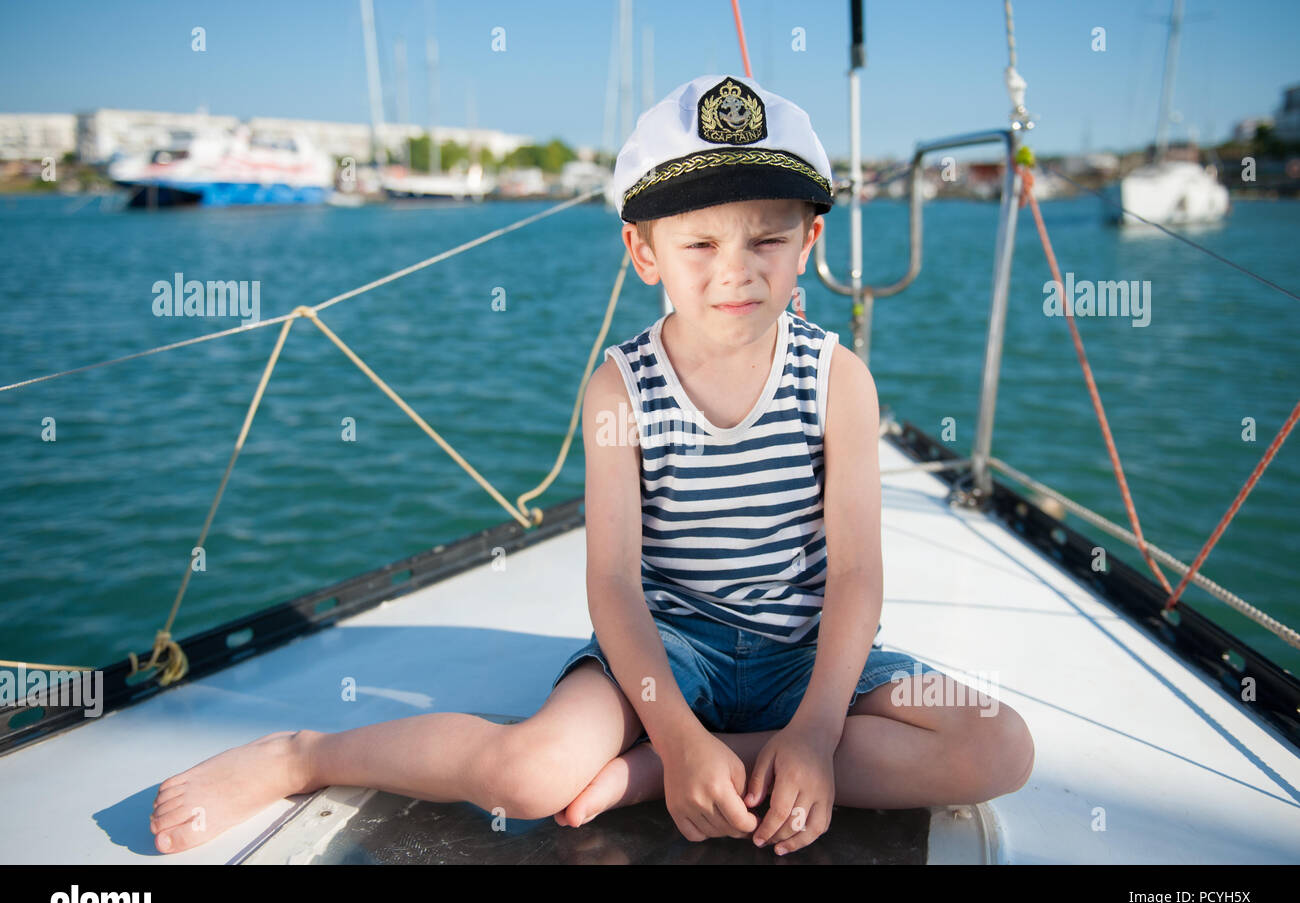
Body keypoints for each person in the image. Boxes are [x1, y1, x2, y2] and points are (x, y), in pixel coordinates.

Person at [149, 74, 1033, 858]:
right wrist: (679, 729)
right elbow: (612, 584)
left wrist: (816, 728)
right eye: (699, 246)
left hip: (809, 653)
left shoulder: (838, 380)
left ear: (807, 244)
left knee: (998, 745)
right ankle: (304, 753)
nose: (737, 272)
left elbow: (857, 574)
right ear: (643, 252)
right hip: (666, 649)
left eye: (766, 241)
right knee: (529, 774)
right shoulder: (620, 390)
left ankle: (656, 771)